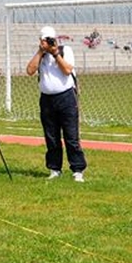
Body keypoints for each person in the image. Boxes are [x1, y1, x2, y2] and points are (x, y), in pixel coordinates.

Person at [25, 25, 86, 181]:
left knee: (71, 136)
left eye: (49, 40)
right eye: (44, 40)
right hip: (47, 99)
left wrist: (55, 53)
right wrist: (41, 52)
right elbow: (30, 71)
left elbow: (67, 70)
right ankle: (54, 168)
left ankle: (77, 169)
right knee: (51, 136)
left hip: (66, 97)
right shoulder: (41, 55)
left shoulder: (66, 51)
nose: (47, 43)